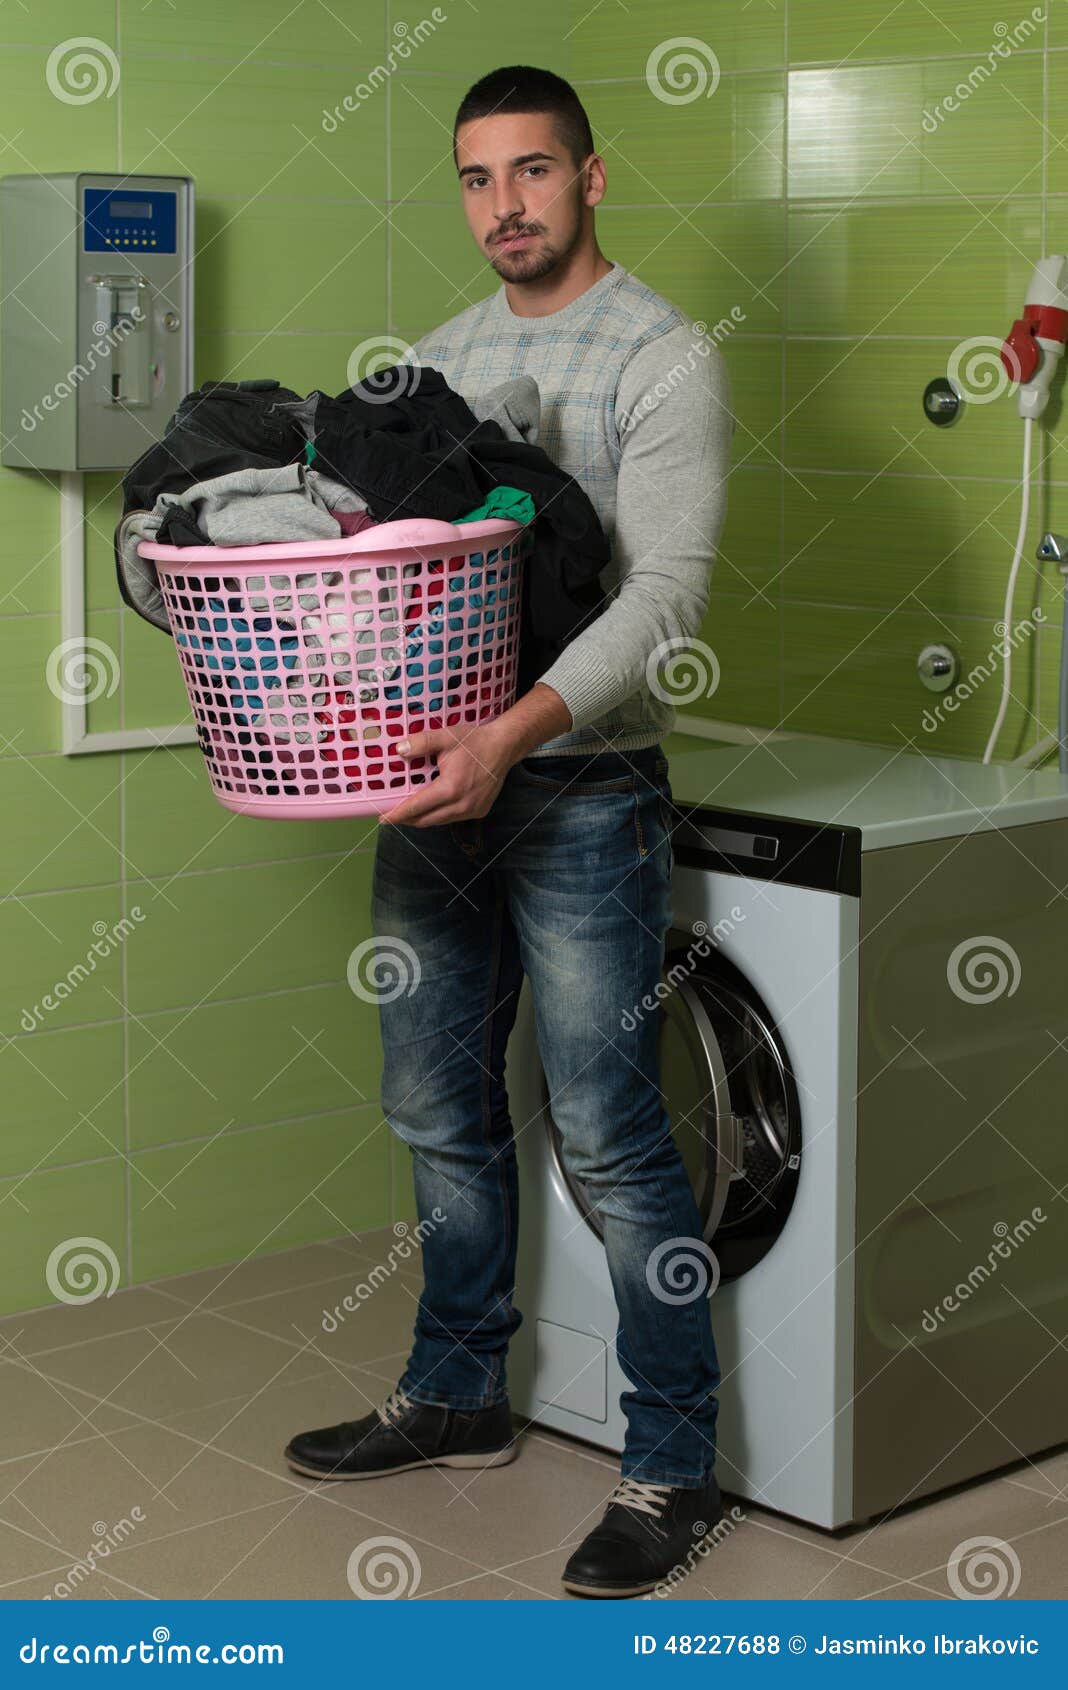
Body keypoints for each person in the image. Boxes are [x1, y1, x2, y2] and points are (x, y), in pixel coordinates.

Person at [286, 63, 734, 1599]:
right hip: (429, 785)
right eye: (478, 181)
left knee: (610, 1132)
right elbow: (396, 579)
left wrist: (511, 735)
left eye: (533, 174)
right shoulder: (438, 363)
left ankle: (673, 1462)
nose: (505, 208)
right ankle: (459, 1391)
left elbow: (665, 601)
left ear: (591, 179)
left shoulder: (663, 360)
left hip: (581, 790)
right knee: (434, 1101)